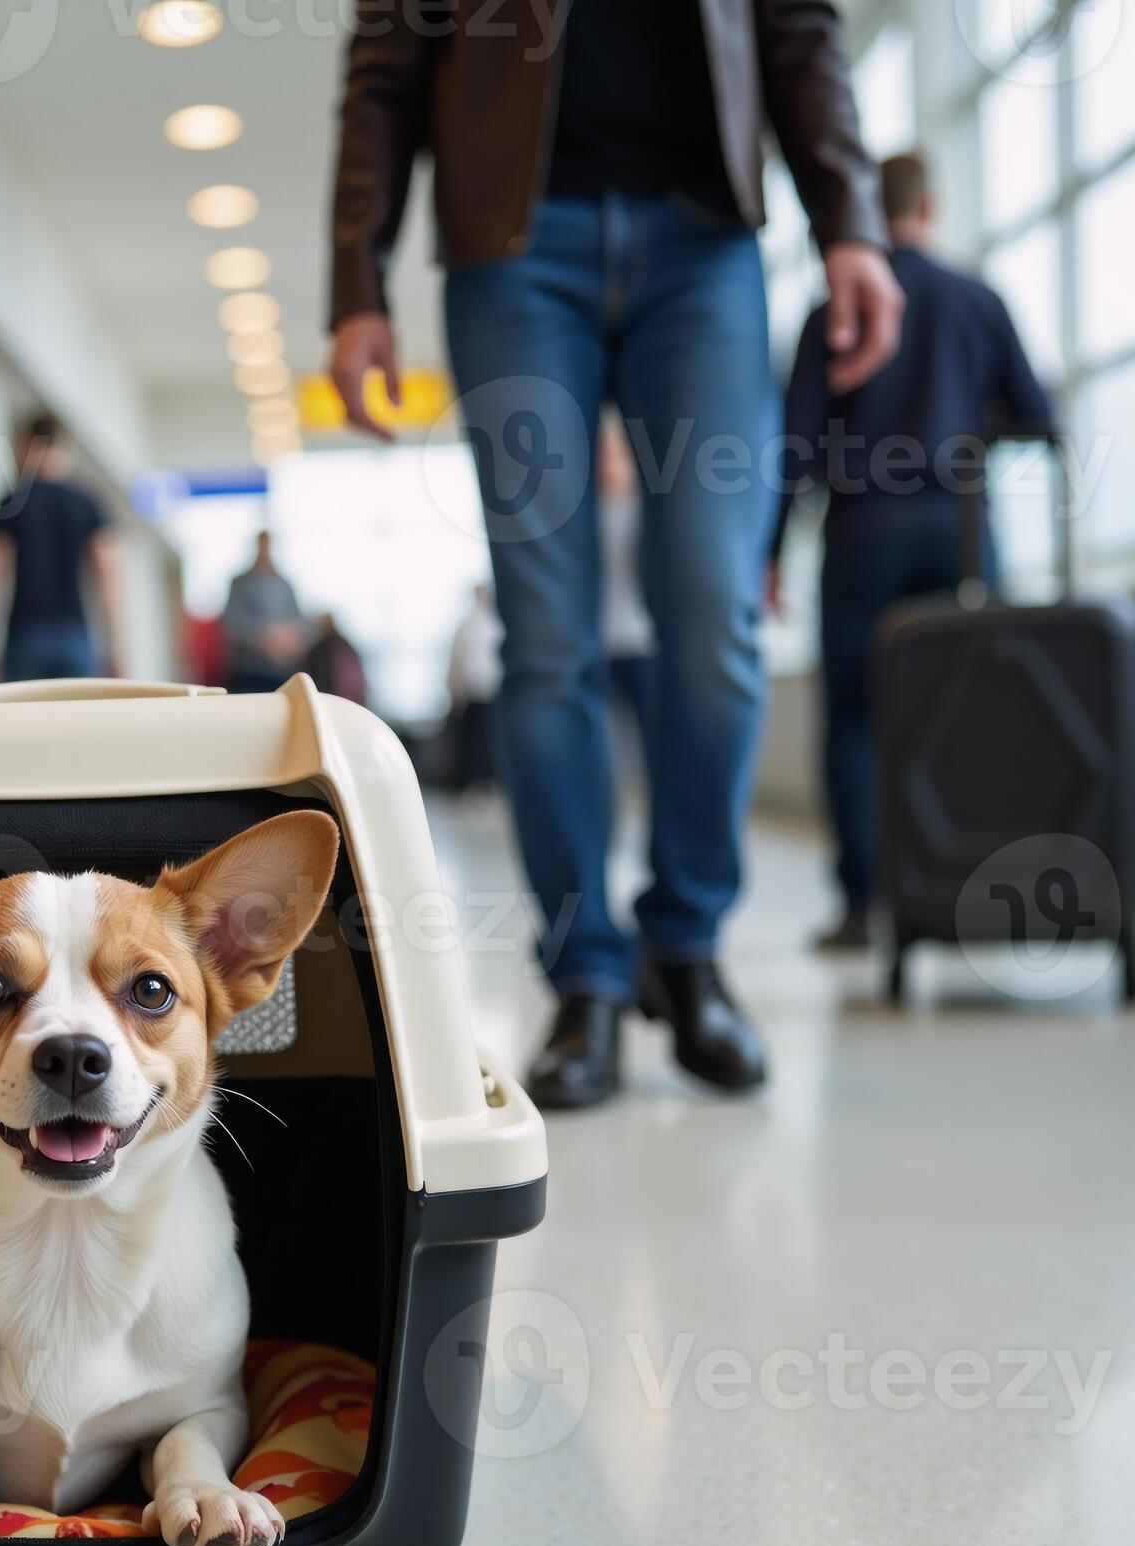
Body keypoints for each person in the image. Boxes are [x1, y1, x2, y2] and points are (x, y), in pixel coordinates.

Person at [329, 0, 903, 1110]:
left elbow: (798, 29)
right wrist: (358, 281)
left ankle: (684, 948)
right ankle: (586, 972)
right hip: (511, 247)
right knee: (546, 637)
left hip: (704, 244)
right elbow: (384, 68)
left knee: (716, 615)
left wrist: (850, 220)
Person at [774, 151, 1054, 952]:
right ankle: (980, 886)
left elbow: (793, 449)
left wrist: (766, 553)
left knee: (856, 720)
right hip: (959, 529)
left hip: (862, 530)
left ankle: (865, 904)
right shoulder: (977, 300)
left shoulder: (827, 310)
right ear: (929, 206)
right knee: (974, 709)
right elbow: (1035, 415)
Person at [0, 414, 123, 683]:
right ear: (64, 449)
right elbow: (108, 579)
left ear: (25, 446)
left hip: (24, 634)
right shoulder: (87, 502)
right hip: (75, 634)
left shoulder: (11, 503)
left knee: (22, 722)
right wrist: (117, 647)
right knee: (79, 722)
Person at [597, 416, 658, 758]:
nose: (610, 462)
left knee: (656, 740)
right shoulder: (586, 517)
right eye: (604, 454)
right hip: (603, 642)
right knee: (606, 745)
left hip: (644, 641)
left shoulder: (647, 512)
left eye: (616, 453)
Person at [219, 531, 311, 694]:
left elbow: (300, 621)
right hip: (248, 669)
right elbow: (231, 621)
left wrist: (287, 639)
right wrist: (263, 636)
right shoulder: (239, 582)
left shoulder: (285, 584)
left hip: (281, 669)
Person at [447, 582, 504, 791]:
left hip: (493, 691)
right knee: (475, 742)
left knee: (492, 741)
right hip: (474, 693)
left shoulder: (495, 624)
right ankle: (476, 783)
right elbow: (458, 661)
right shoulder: (467, 626)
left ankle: (491, 781)